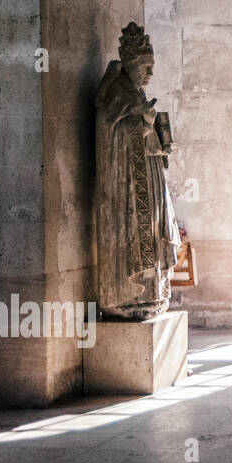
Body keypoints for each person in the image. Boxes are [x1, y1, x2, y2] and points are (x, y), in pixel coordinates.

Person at [94, 23, 180, 319]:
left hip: (149, 178)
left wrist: (159, 140)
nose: (150, 74)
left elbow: (145, 138)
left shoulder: (138, 95)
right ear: (130, 65)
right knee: (134, 234)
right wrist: (142, 124)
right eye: (145, 67)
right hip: (127, 185)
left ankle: (152, 293)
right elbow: (110, 136)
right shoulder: (117, 95)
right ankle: (129, 297)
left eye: (151, 66)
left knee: (153, 232)